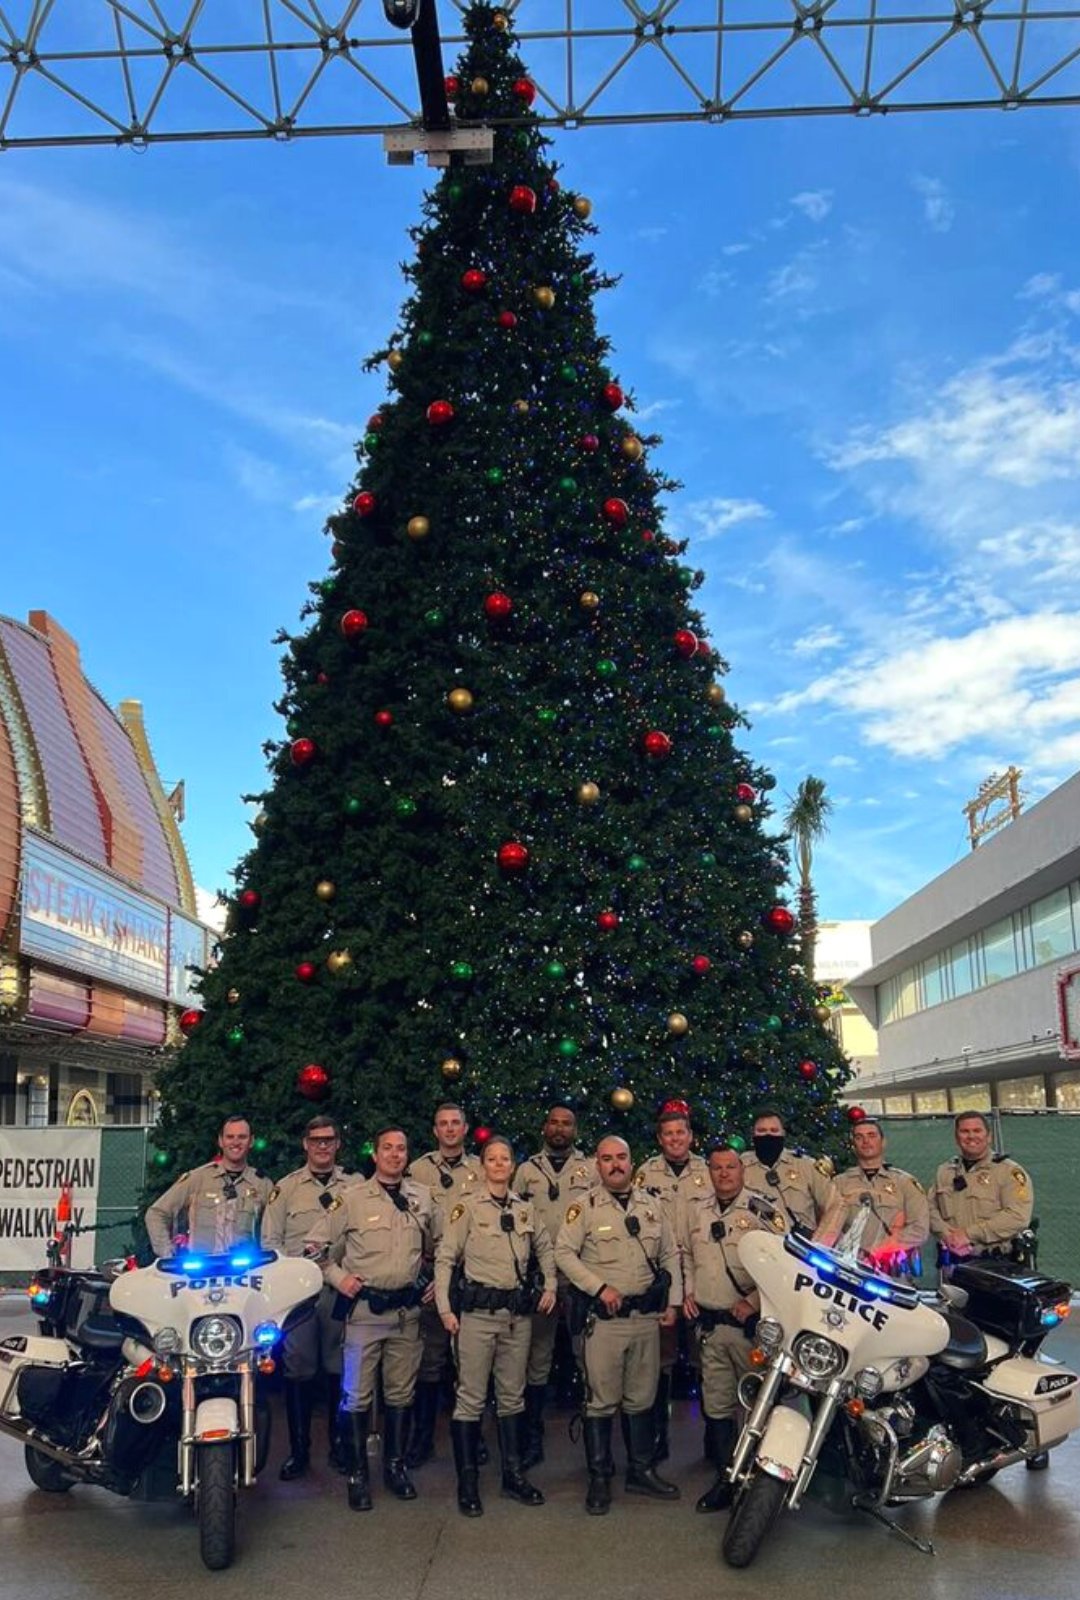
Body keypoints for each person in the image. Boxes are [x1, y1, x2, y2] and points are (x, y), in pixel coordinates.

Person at [556, 1134, 682, 1516]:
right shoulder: (585, 1207)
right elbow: (563, 1252)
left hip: (645, 1319)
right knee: (601, 1400)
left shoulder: (652, 1206)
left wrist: (673, 1303)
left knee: (641, 1397)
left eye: (622, 1158)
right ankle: (599, 1477)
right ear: (598, 1164)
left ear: (632, 1161)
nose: (615, 1164)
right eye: (607, 1158)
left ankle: (640, 1471)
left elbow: (670, 1253)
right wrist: (599, 1287)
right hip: (606, 1322)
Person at [435, 1135, 556, 1517]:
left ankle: (513, 1474)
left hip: (516, 1318)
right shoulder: (467, 1207)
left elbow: (545, 1248)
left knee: (512, 1397)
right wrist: (443, 1308)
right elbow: (445, 1258)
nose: (500, 1164)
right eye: (493, 1158)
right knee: (470, 1397)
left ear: (514, 1166)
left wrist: (550, 1283)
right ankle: (468, 1482)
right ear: (483, 1165)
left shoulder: (525, 1209)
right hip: (477, 1316)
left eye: (506, 1158)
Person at [317, 1126, 435, 1511]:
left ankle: (395, 1467)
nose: (395, 1155)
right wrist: (339, 1278)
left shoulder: (422, 1198)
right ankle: (357, 1475)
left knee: (401, 1393)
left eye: (402, 1149)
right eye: (388, 1148)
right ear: (375, 1154)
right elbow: (315, 1249)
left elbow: (443, 1247)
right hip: (365, 1311)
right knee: (357, 1395)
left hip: (407, 1312)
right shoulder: (350, 1199)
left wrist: (435, 1281)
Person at [683, 1145, 786, 1512]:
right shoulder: (698, 1210)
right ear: (708, 1172)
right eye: (717, 1168)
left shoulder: (762, 1210)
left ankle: (761, 1483)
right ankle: (726, 1480)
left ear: (742, 1170)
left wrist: (755, 1303)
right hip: (710, 1326)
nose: (724, 1173)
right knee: (718, 1403)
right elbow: (686, 1255)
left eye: (731, 1167)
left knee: (758, 1403)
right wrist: (688, 1291)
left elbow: (783, 1263)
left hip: (747, 1328)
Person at [260, 1115, 361, 1479]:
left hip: (340, 1292)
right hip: (299, 1298)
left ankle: (339, 1445)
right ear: (305, 1143)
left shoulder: (355, 1186)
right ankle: (299, 1450)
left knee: (340, 1368)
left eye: (329, 1140)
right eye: (315, 1140)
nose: (322, 1146)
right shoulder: (286, 1189)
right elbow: (270, 1245)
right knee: (298, 1368)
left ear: (337, 1144)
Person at [512, 1104, 596, 1466]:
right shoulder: (526, 1170)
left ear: (575, 1130)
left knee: (588, 1355)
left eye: (567, 1124)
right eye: (554, 1123)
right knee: (538, 1356)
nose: (560, 1129)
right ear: (544, 1127)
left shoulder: (591, 1168)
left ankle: (596, 1439)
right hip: (540, 1276)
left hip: (580, 1276)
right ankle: (532, 1436)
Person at [405, 1102, 485, 1468]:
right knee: (430, 1361)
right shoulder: (418, 1170)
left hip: (474, 1273)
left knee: (474, 1361)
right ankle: (423, 1439)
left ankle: (475, 1440)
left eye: (456, 1123)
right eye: (443, 1124)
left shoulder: (483, 1169)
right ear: (435, 1130)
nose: (450, 1129)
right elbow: (407, 1225)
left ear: (465, 1129)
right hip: (433, 1273)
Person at [633, 1107, 710, 1461]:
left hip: (701, 1274)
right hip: (661, 1277)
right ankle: (656, 1439)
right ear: (660, 1139)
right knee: (657, 1360)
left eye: (681, 1133)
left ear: (690, 1136)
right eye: (668, 1134)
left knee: (705, 1357)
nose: (675, 1139)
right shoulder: (646, 1173)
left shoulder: (708, 1171)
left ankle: (716, 1443)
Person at [145, 1114, 272, 1258]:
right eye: (230, 1137)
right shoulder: (198, 1179)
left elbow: (274, 1231)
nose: (236, 1142)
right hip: (201, 1274)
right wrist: (168, 1255)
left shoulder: (262, 1184)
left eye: (242, 1137)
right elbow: (156, 1213)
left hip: (247, 1273)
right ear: (220, 1141)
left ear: (251, 1141)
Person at [928, 1111, 1034, 1267]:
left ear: (989, 1136)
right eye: (964, 1131)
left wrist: (968, 1235)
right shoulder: (945, 1172)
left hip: (997, 1264)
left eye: (977, 1131)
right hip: (954, 1262)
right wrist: (947, 1235)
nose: (971, 1136)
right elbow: (930, 1209)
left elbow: (1017, 1216)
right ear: (957, 1138)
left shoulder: (1009, 1172)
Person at [830, 1118, 929, 1276]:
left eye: (871, 1135)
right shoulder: (839, 1183)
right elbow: (829, 1225)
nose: (866, 1141)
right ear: (853, 1145)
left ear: (883, 1142)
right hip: (847, 1267)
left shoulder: (904, 1183)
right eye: (859, 1137)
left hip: (891, 1269)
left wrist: (880, 1252)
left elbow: (919, 1229)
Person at [740, 1106, 841, 1236]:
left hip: (799, 1247)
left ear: (783, 1133)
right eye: (762, 1131)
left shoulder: (805, 1165)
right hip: (757, 1246)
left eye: (774, 1130)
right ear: (753, 1134)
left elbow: (835, 1204)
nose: (768, 1135)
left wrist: (820, 1241)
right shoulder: (740, 1166)